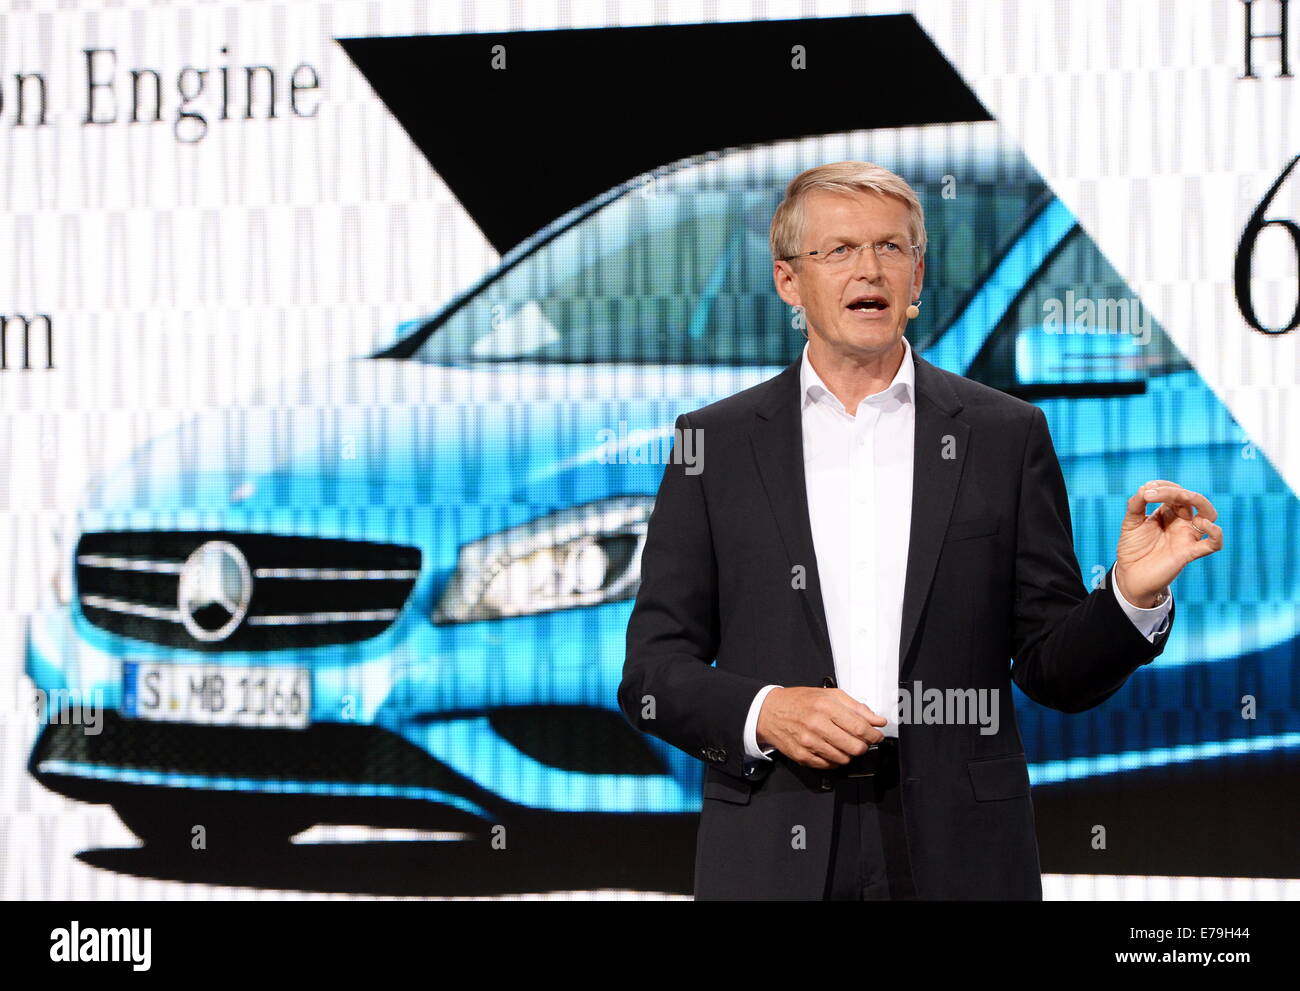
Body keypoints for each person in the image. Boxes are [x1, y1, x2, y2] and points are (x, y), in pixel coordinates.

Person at [617, 161, 1223, 900]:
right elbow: (651, 674)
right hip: (776, 843)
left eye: (890, 248)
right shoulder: (715, 442)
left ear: (917, 278)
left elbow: (1051, 670)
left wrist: (1126, 597)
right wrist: (765, 711)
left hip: (960, 849)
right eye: (837, 250)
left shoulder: (1005, 434)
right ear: (787, 282)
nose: (868, 268)